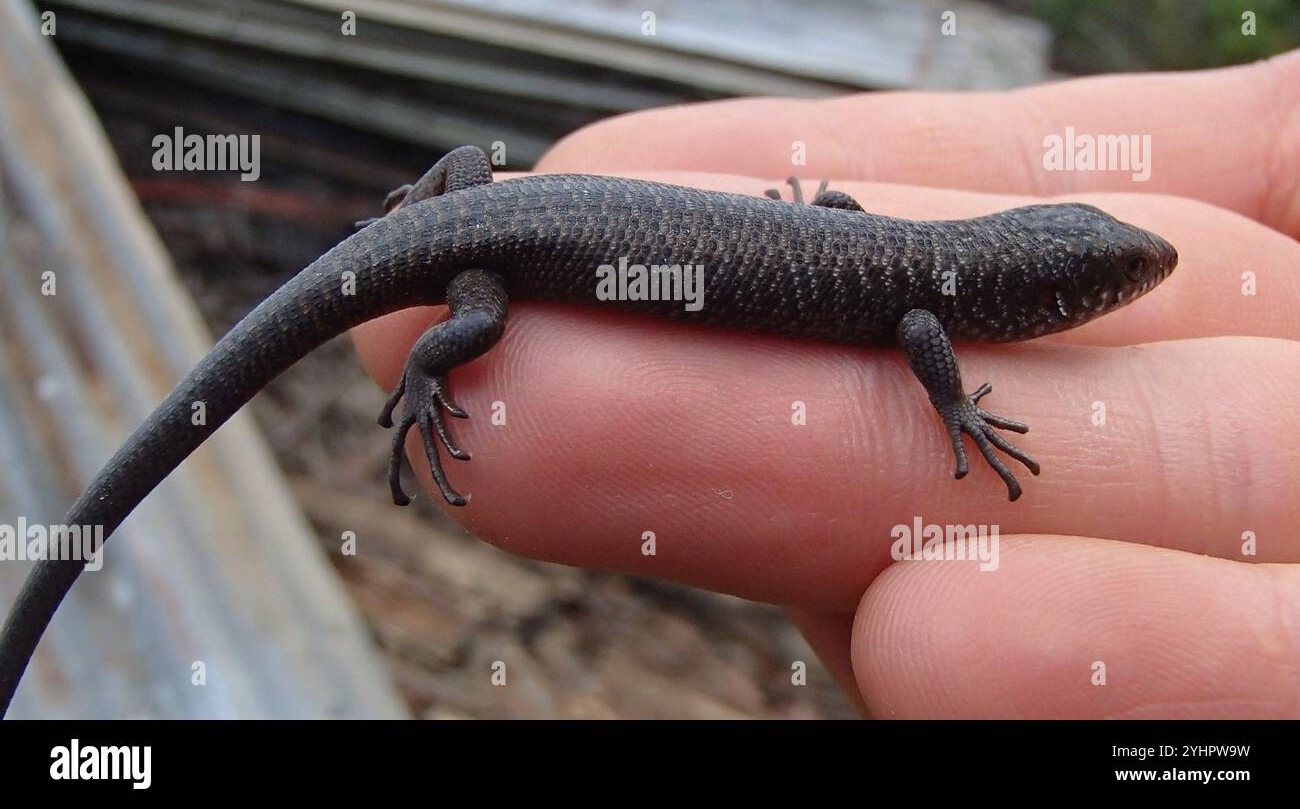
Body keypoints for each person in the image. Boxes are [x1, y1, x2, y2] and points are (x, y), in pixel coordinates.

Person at [352, 51, 1300, 718]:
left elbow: (847, 217)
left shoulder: (915, 262)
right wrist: (956, 409)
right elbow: (917, 326)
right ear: (1044, 297)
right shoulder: (933, 297)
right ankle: (427, 370)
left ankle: (420, 218)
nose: (1140, 271)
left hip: (490, 215)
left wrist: (421, 211)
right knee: (478, 328)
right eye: (1118, 276)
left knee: (471, 188)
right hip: (494, 255)